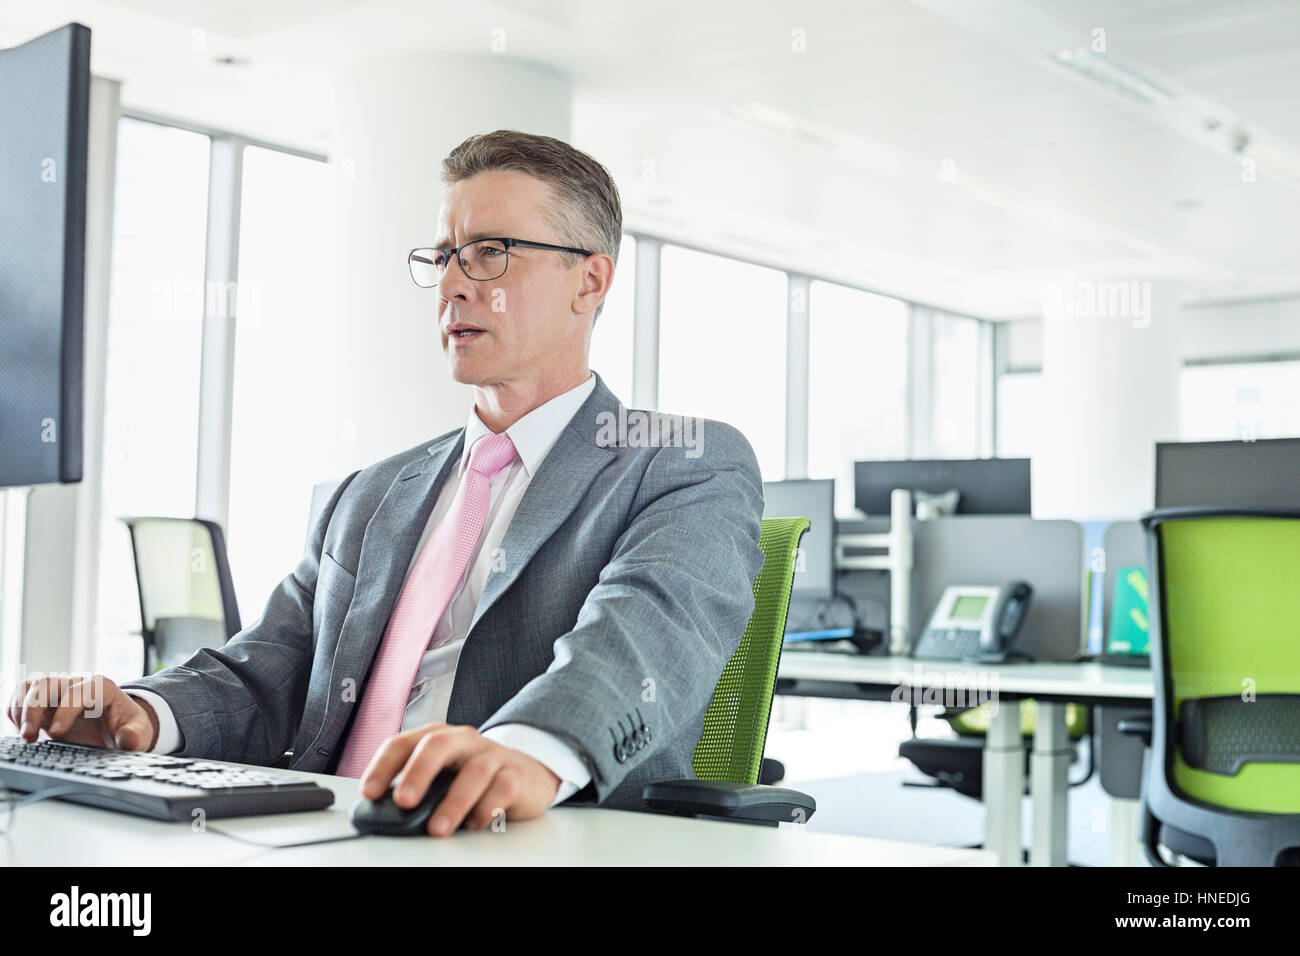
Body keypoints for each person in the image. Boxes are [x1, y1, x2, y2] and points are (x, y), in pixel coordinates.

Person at [6, 129, 765, 837]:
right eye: (445, 257)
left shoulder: (680, 463)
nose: (453, 285)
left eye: (491, 254)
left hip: (499, 836)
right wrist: (140, 713)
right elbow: (270, 669)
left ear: (589, 280)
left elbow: (642, 639)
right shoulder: (370, 493)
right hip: (319, 832)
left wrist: (529, 751)